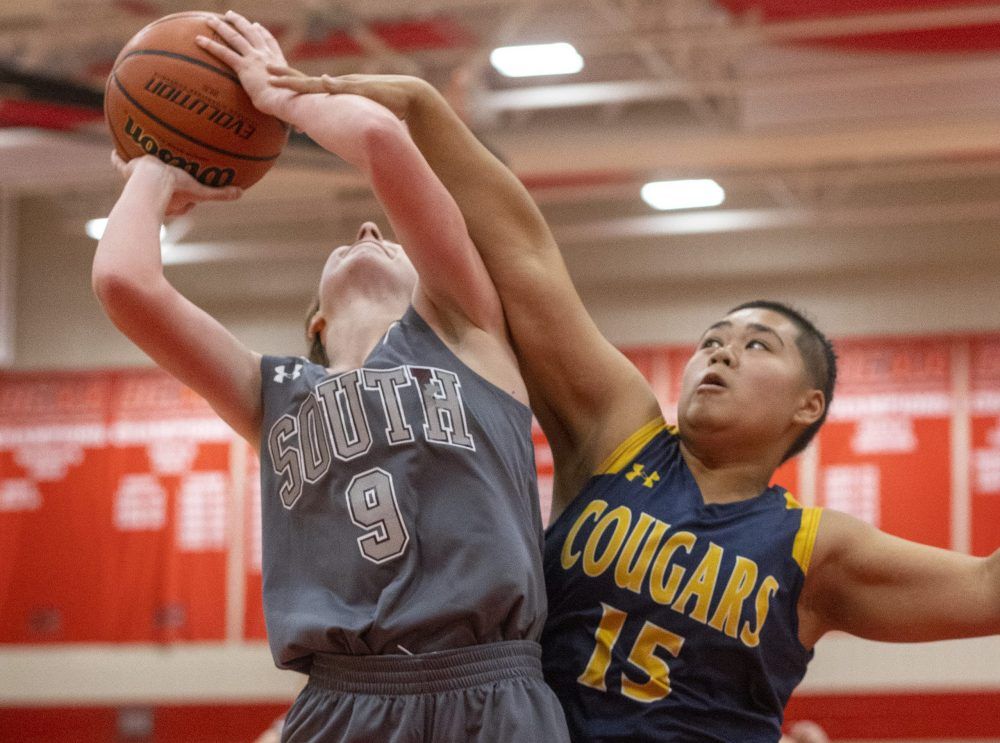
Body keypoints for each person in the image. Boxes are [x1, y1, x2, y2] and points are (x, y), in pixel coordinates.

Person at [264, 68, 1000, 741]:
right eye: (714, 337)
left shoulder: (817, 548)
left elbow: (985, 588)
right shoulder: (619, 432)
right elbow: (525, 255)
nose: (721, 351)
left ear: (809, 406)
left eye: (757, 345)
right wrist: (424, 108)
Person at [92, 12, 570, 743]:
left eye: (388, 235)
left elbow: (382, 142)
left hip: (488, 688)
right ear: (315, 323)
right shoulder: (272, 394)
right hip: (339, 701)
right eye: (348, 238)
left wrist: (282, 95)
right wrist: (152, 172)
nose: (370, 231)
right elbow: (124, 280)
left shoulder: (469, 333)